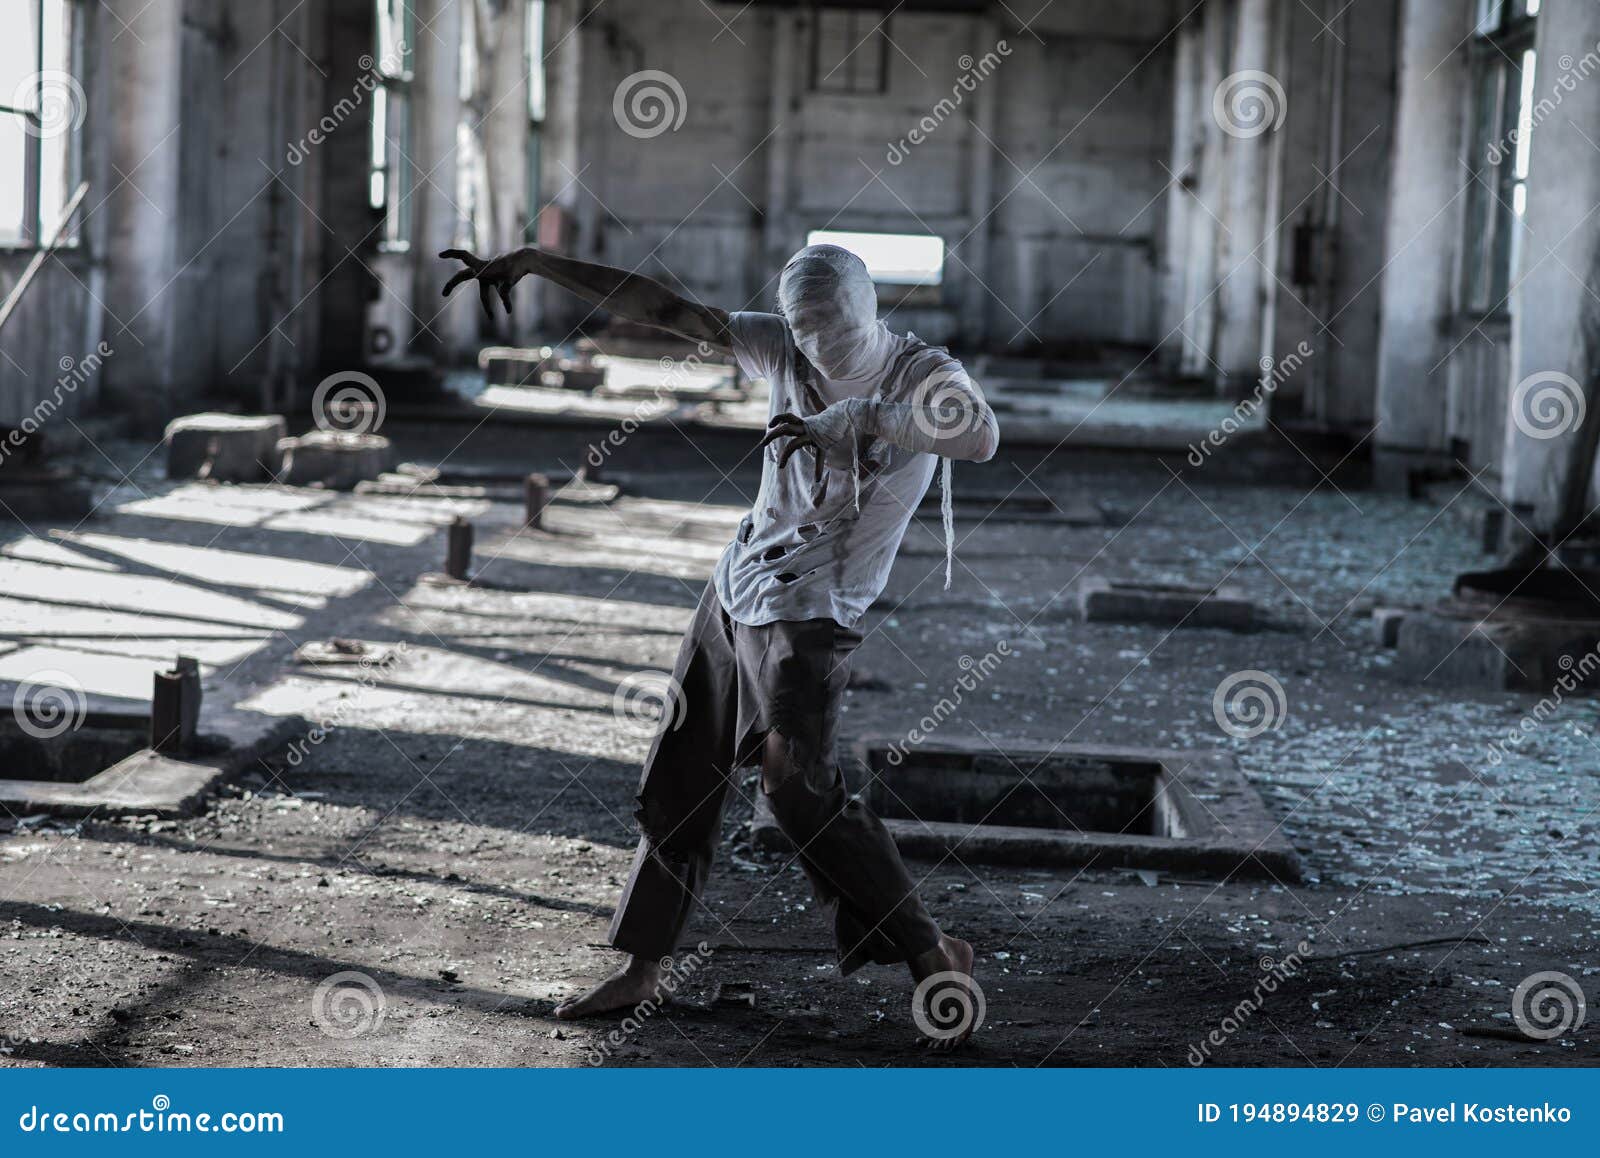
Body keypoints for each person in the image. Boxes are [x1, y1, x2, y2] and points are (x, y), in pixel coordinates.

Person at [441, 242, 999, 1046]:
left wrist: (866, 416)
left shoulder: (922, 378)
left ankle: (932, 949)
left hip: (815, 612)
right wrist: (537, 262)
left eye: (831, 326)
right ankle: (641, 967)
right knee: (680, 767)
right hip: (736, 587)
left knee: (796, 792)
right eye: (802, 328)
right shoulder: (779, 347)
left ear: (870, 310)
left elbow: (980, 436)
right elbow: (662, 306)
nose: (815, 342)